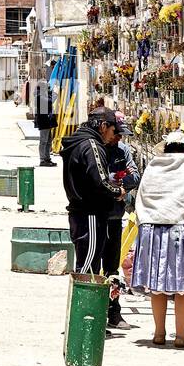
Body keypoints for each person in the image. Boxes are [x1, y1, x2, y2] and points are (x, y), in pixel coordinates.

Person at [130, 130, 184, 347]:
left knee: (156, 284)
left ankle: (159, 333)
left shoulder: (153, 167)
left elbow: (142, 196)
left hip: (154, 230)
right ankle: (181, 335)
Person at [60, 107, 125, 276]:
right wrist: (118, 191)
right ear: (103, 126)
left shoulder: (79, 141)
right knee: (88, 269)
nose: (113, 136)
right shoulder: (91, 146)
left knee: (87, 266)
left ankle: (86, 302)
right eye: (113, 130)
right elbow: (101, 181)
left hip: (80, 213)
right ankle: (84, 303)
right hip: (90, 216)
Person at [103, 112, 140, 329]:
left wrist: (120, 184)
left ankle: (114, 312)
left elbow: (134, 175)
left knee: (112, 267)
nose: (119, 139)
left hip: (115, 216)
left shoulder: (122, 150)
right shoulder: (95, 148)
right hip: (96, 215)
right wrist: (110, 182)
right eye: (117, 134)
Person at [33, 70, 57, 167]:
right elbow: (50, 101)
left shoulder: (45, 94)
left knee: (49, 141)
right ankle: (42, 159)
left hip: (48, 121)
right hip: (44, 122)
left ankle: (47, 158)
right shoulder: (39, 97)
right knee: (43, 141)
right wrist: (53, 94)